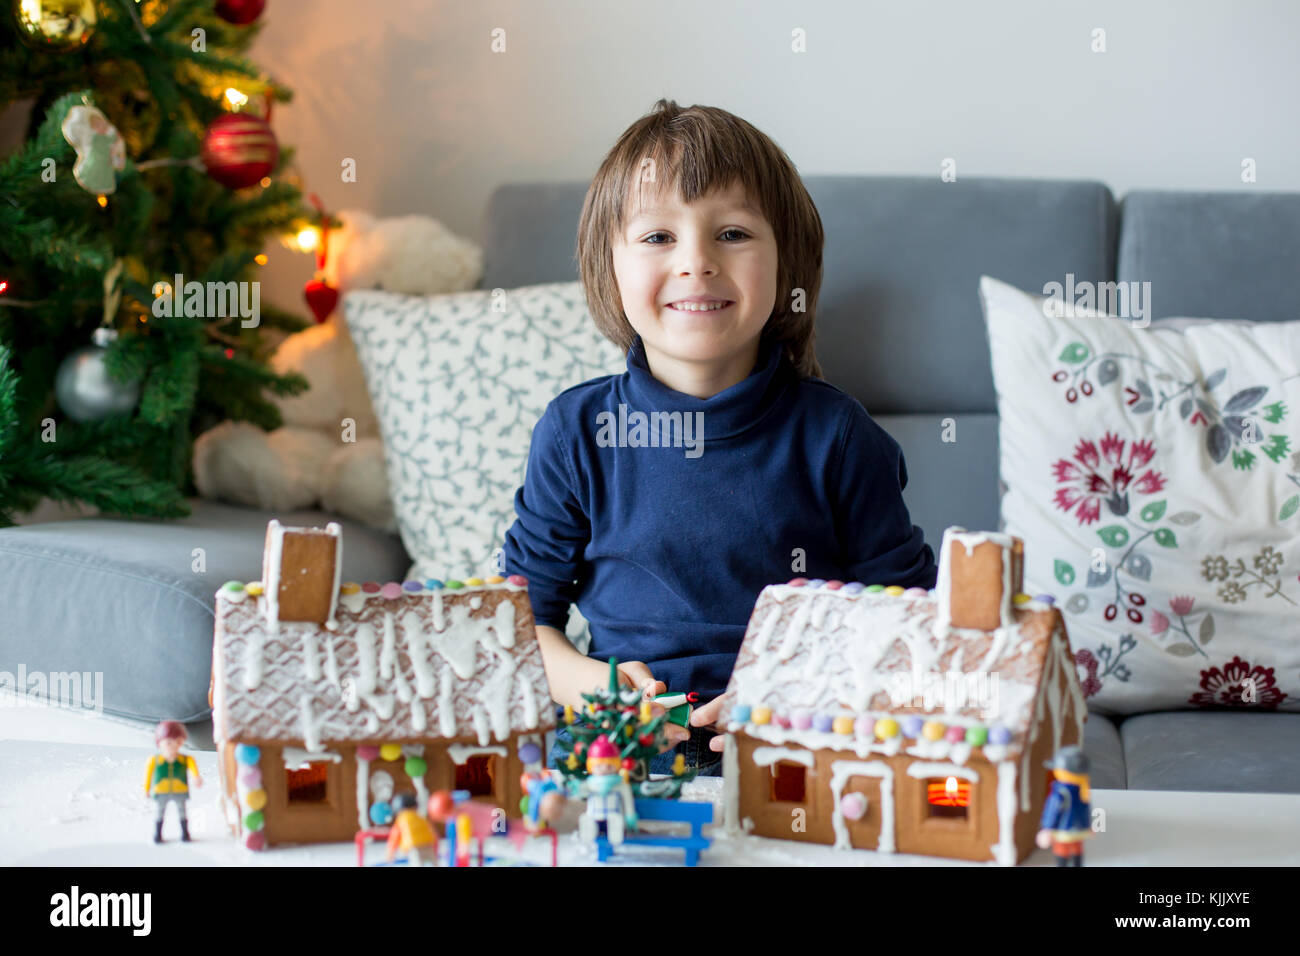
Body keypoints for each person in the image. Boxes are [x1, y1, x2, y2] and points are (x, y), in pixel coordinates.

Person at [503, 99, 937, 776]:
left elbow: (909, 627)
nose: (696, 261)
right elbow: (521, 626)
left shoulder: (839, 436)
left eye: (732, 233)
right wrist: (603, 690)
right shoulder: (575, 433)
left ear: (786, 262)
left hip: (801, 756)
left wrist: (793, 699)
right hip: (618, 759)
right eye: (657, 238)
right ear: (607, 267)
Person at [144, 720, 202, 843]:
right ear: (159, 743)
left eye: (178, 741)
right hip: (161, 791)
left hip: (180, 790)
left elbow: (193, 768)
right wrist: (146, 789)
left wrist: (196, 777)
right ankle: (158, 834)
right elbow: (148, 775)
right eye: (169, 742)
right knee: (160, 812)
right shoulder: (155, 760)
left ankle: (185, 834)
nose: (173, 745)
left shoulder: (185, 759)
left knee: (182, 812)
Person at [1036, 745, 1095, 866]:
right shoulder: (1083, 790)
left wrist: (1047, 828)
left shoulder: (1059, 793)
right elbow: (1085, 811)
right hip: (1079, 830)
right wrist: (1087, 825)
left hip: (1063, 831)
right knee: (1077, 850)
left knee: (1062, 851)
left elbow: (1052, 812)